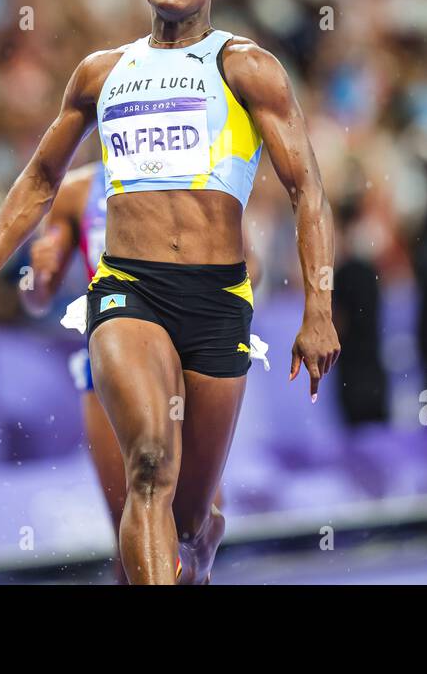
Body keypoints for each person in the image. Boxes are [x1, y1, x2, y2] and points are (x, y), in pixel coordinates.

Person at [0, 0, 340, 584]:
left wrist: (319, 307)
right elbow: (41, 177)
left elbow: (306, 188)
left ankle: (199, 537)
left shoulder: (245, 68)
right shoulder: (101, 72)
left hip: (219, 298)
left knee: (188, 523)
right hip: (127, 288)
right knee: (148, 470)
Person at [20, 161, 267, 582]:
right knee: (131, 530)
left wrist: (211, 307)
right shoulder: (78, 192)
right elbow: (37, 299)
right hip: (111, 364)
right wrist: (35, 277)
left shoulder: (193, 173)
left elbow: (251, 264)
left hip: (186, 360)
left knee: (193, 526)